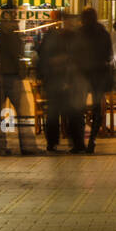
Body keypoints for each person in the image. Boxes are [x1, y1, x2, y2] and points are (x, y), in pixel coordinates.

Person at [0, 3, 40, 155]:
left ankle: (0, 146)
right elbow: (15, 52)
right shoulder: (10, 28)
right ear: (11, 12)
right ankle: (27, 145)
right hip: (10, 75)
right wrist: (21, 69)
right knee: (23, 110)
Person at [36, 12, 86, 153]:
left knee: (71, 113)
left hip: (68, 81)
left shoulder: (73, 37)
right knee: (56, 113)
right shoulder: (54, 37)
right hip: (56, 81)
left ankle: (75, 143)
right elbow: (44, 57)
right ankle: (54, 143)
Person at [75, 7, 113, 152]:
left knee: (79, 107)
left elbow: (74, 53)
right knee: (97, 108)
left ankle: (80, 141)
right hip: (99, 75)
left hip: (83, 75)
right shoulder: (103, 33)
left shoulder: (79, 34)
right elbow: (109, 54)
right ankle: (92, 139)